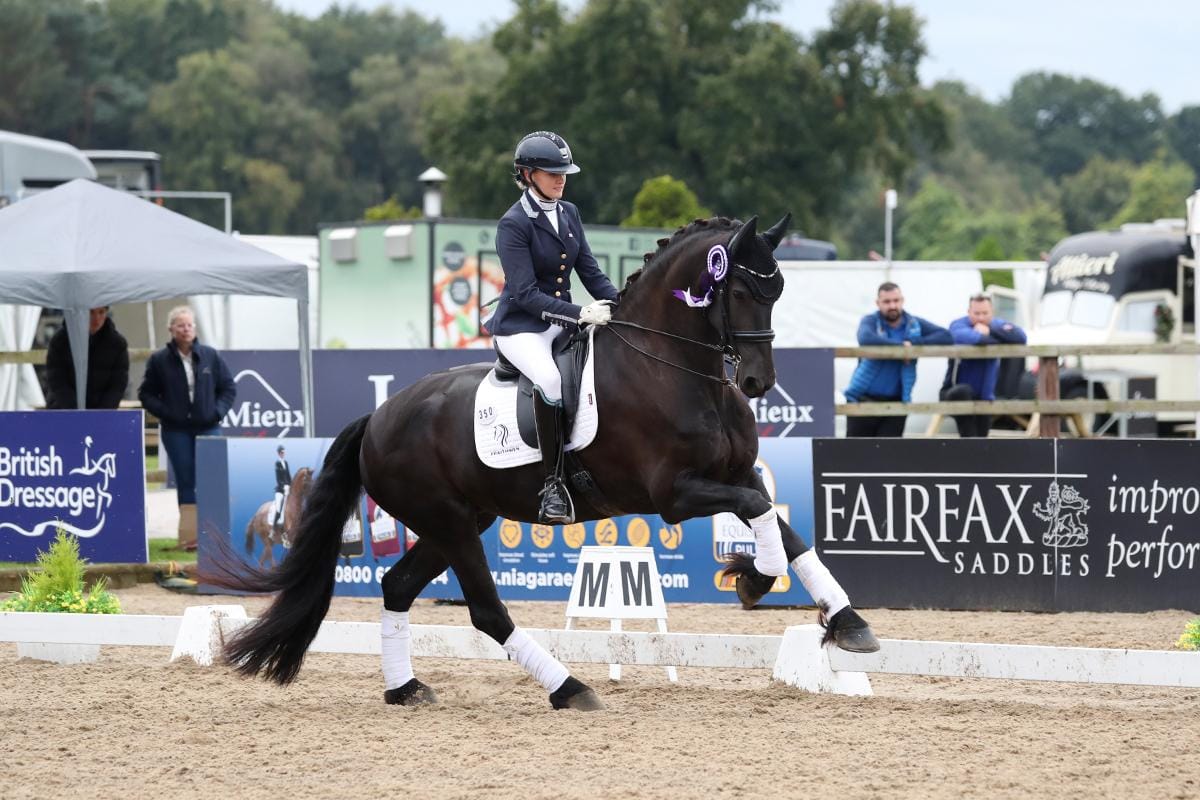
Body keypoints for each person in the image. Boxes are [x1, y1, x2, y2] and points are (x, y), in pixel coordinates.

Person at [486, 131, 620, 524]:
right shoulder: (512, 225)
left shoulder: (570, 212)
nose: (561, 179)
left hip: (560, 323)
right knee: (548, 380)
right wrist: (580, 314)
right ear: (527, 174)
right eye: (551, 172)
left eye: (565, 172)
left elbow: (590, 272)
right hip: (521, 328)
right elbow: (526, 294)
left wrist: (621, 305)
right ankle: (553, 484)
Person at [138, 306, 236, 519]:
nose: (186, 329)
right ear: (171, 329)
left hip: (208, 427)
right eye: (181, 325)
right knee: (185, 479)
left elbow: (228, 388)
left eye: (190, 325)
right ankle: (190, 533)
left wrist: (217, 412)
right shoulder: (159, 360)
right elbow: (146, 394)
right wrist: (167, 413)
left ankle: (213, 528)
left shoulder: (210, 356)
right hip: (176, 430)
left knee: (212, 476)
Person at [843, 282, 952, 437]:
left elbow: (946, 336)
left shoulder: (914, 323)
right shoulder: (870, 321)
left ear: (902, 300)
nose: (892, 305)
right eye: (887, 302)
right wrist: (901, 348)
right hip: (863, 400)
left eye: (896, 300)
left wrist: (915, 345)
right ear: (877, 303)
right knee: (856, 455)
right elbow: (865, 338)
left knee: (889, 457)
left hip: (897, 403)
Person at [941, 293, 1027, 437]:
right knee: (963, 394)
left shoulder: (995, 325)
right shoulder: (957, 325)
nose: (980, 318)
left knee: (981, 439)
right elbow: (973, 338)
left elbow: (1021, 337)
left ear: (992, 312)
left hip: (985, 397)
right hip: (953, 392)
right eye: (976, 313)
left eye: (985, 313)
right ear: (968, 312)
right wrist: (1000, 338)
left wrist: (991, 331)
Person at [45, 306, 129, 409]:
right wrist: (75, 412)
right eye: (91, 312)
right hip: (63, 411)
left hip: (101, 414)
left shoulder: (118, 344)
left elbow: (117, 385)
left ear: (107, 313)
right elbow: (57, 381)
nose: (96, 318)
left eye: (101, 312)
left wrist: (102, 413)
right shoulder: (59, 342)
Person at [272, 444, 292, 534]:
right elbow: (278, 478)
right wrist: (284, 486)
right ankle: (273, 528)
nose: (283, 454)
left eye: (284, 452)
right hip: (280, 490)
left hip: (287, 489)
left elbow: (288, 475)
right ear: (279, 453)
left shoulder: (286, 463)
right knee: (279, 507)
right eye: (282, 453)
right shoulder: (277, 463)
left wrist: (291, 485)